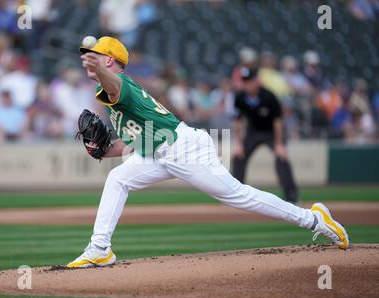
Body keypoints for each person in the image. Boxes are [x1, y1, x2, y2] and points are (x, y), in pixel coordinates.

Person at [67, 36, 349, 268]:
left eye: (95, 55)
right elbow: (134, 143)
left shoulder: (119, 85)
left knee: (238, 196)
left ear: (110, 60)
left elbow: (113, 83)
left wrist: (99, 71)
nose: (89, 59)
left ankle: (313, 218)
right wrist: (102, 151)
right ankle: (100, 248)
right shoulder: (113, 94)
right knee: (118, 179)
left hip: (183, 149)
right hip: (159, 150)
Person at [232, 67, 299, 203]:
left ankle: (291, 197)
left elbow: (278, 122)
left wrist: (279, 144)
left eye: (250, 81)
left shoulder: (269, 96)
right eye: (245, 81)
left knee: (281, 158)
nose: (247, 84)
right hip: (253, 132)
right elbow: (237, 122)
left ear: (257, 81)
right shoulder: (240, 97)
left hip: (272, 133)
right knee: (238, 157)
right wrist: (238, 144)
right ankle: (234, 196)